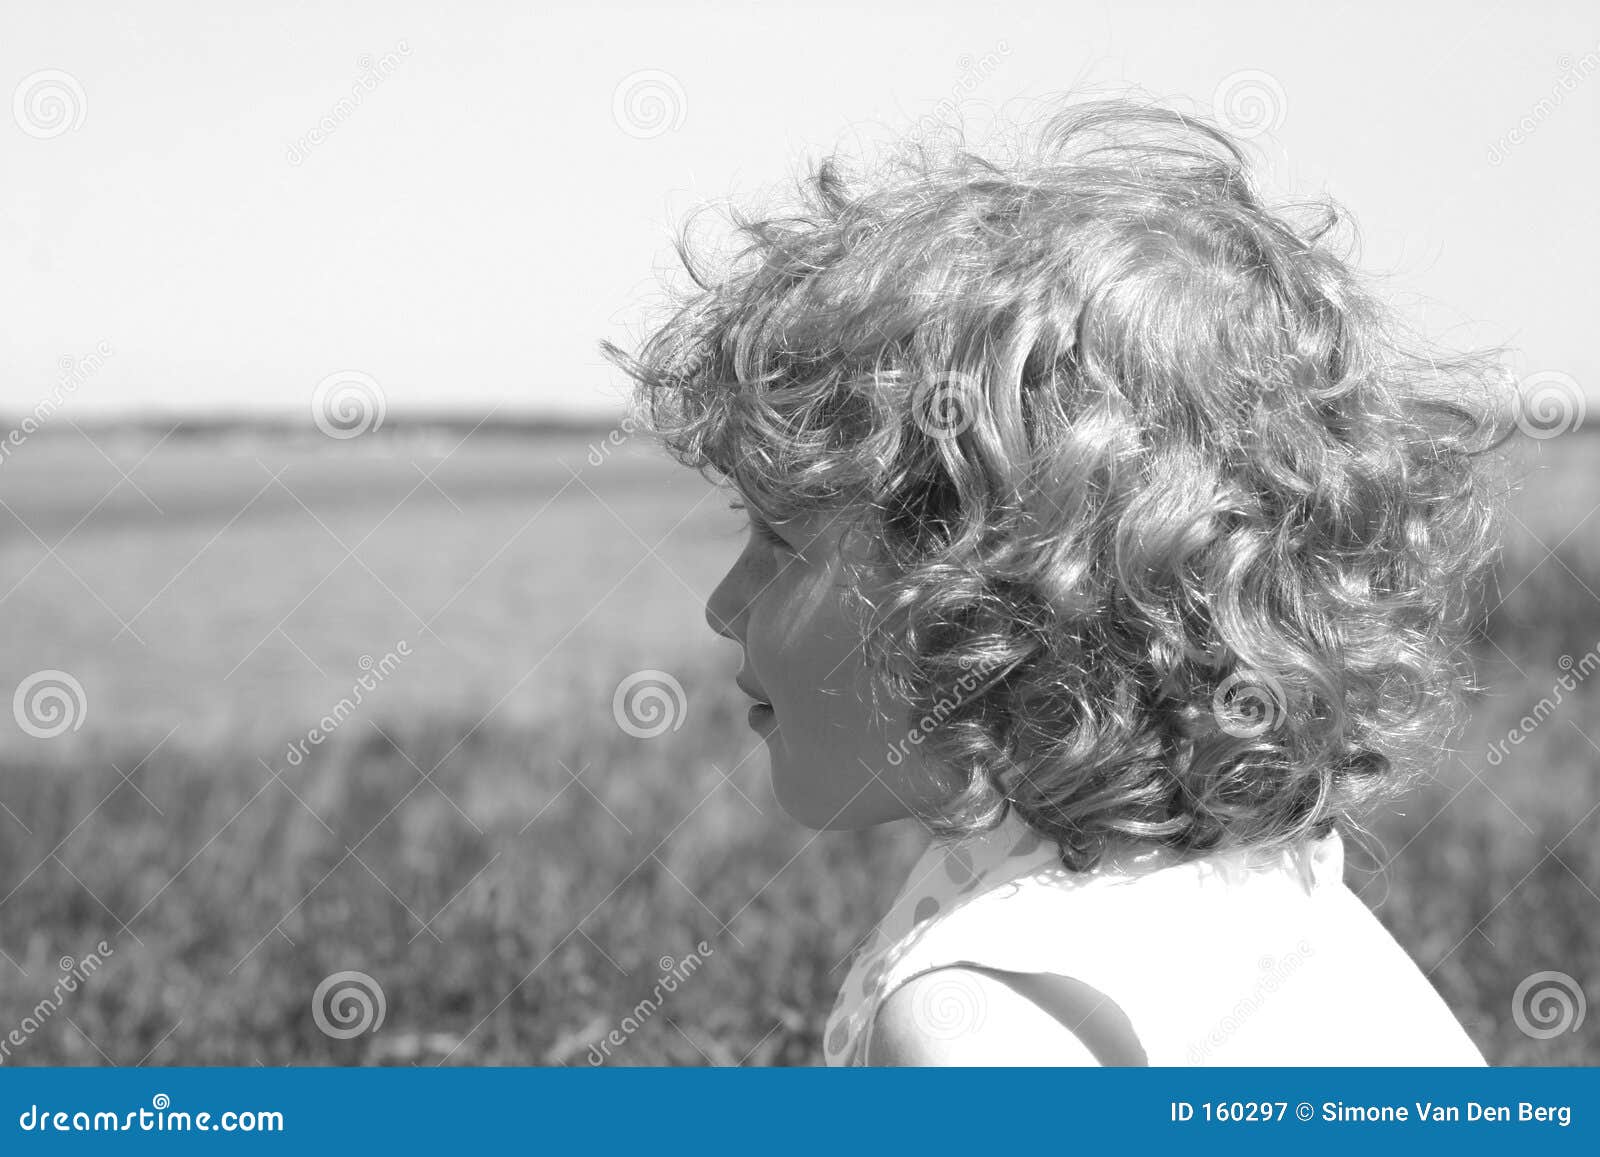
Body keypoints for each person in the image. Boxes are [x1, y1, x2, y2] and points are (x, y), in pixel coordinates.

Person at [601, 97, 1514, 1065]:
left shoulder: (985, 1022)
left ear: (998, 603)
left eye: (780, 542)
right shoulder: (1265, 888)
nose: (723, 604)